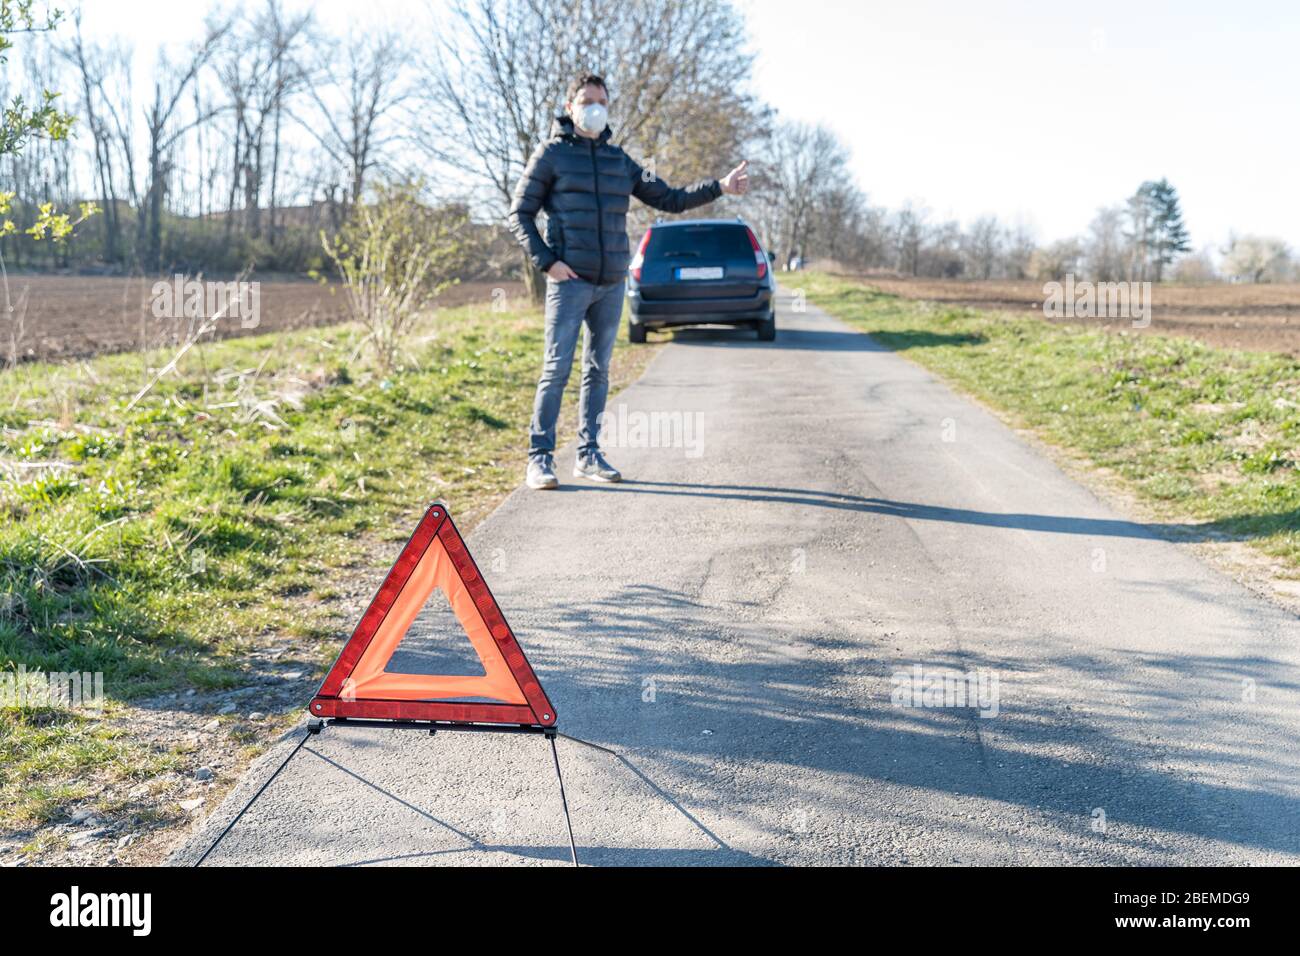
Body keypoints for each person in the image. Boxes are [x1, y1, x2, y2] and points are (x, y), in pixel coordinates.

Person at [509, 72, 749, 490]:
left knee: (598, 371)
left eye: (601, 100)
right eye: (586, 100)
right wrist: (547, 262)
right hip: (569, 281)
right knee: (556, 368)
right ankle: (540, 459)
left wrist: (720, 187)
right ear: (570, 107)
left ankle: (588, 454)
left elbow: (670, 198)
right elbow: (519, 213)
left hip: (611, 282)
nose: (594, 107)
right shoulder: (550, 155)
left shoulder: (619, 161)